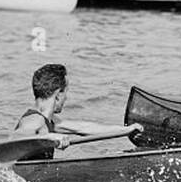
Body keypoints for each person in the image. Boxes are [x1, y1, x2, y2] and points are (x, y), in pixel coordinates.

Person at [12, 63, 142, 148]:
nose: (67, 98)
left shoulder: (50, 121)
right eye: (66, 92)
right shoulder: (34, 120)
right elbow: (15, 139)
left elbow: (84, 127)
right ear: (58, 94)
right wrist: (48, 138)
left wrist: (126, 130)